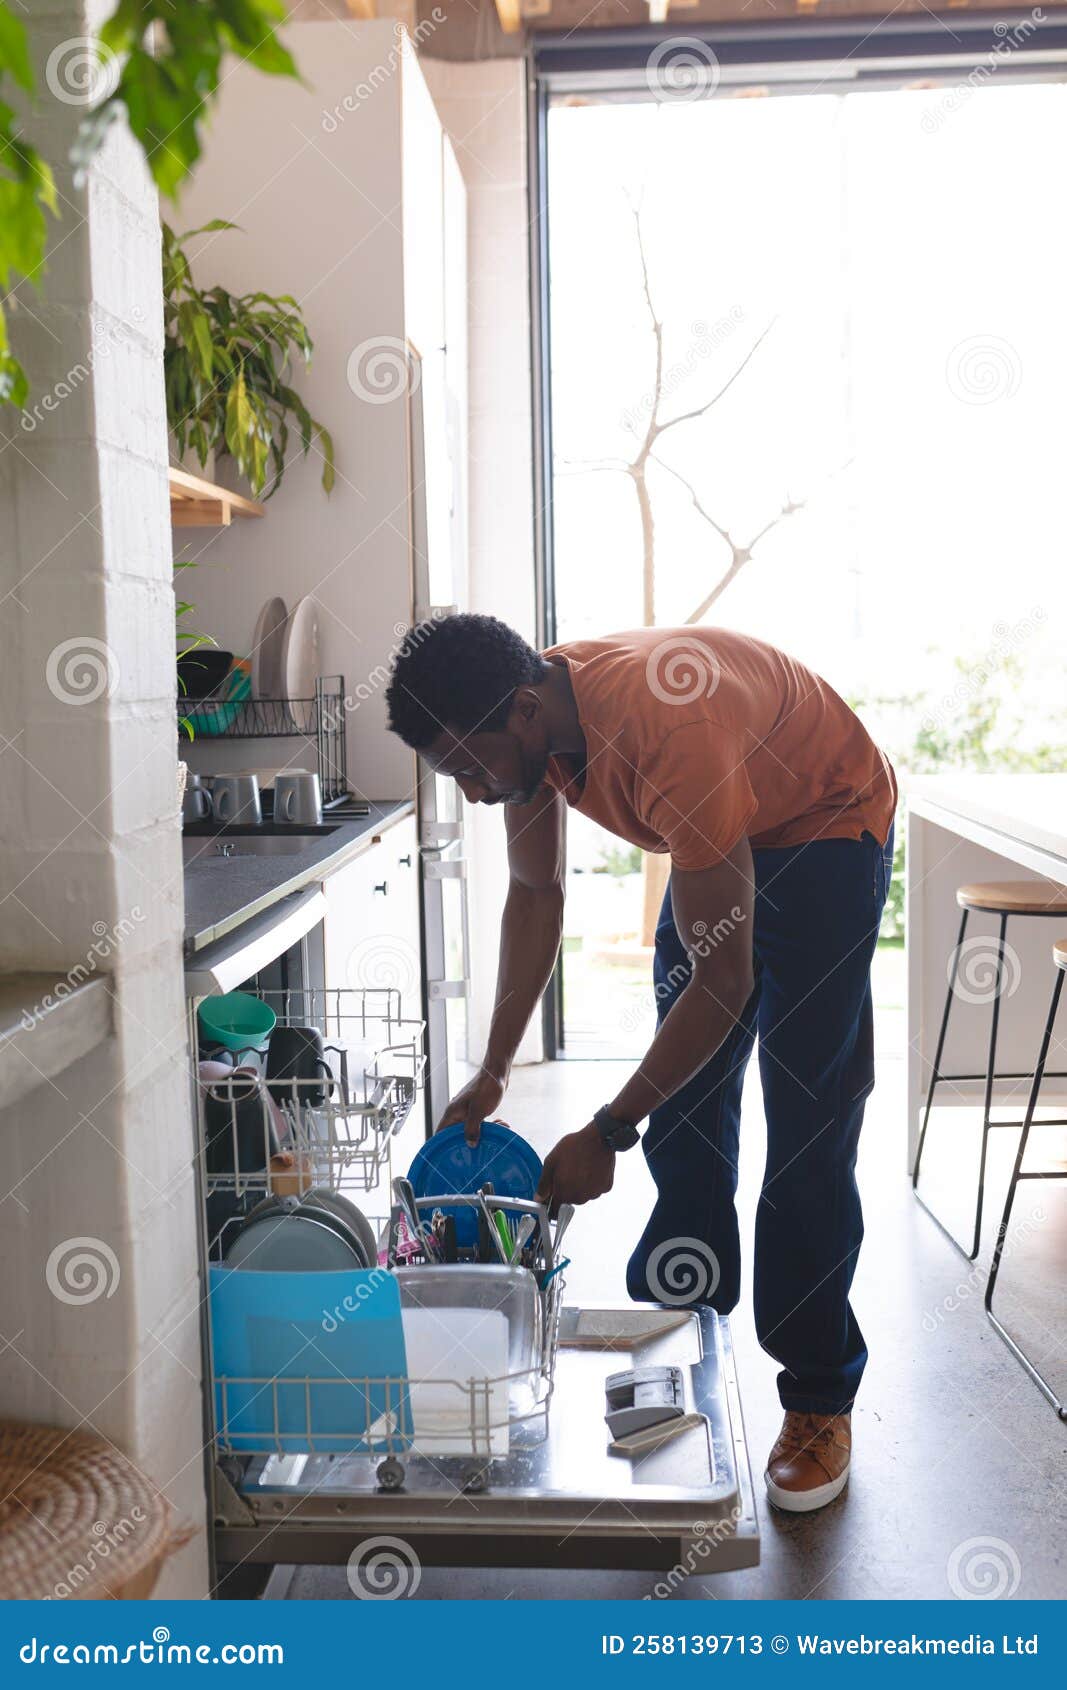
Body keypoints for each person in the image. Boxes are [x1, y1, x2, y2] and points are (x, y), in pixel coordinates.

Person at [385, 614, 896, 1513]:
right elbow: (536, 893)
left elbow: (723, 980)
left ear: (525, 708)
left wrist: (607, 1128)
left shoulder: (669, 732)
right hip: (718, 837)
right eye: (449, 774)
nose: (467, 792)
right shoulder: (533, 730)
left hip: (821, 827)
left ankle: (818, 1396)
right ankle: (685, 1341)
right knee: (688, 1114)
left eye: (470, 767)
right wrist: (496, 1065)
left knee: (807, 1124)